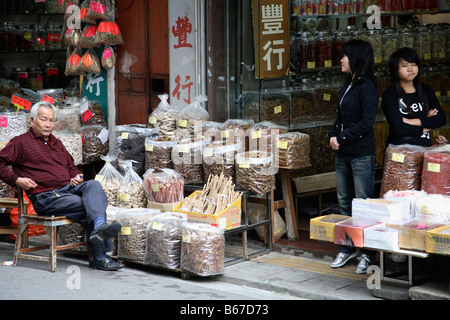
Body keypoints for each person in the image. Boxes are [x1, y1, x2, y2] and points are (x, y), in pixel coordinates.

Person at [0, 101, 124, 271]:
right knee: (90, 206)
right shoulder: (20, 143)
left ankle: (100, 229)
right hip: (47, 197)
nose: (48, 124)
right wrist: (16, 180)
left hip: (68, 190)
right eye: (44, 120)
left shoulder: (56, 143)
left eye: (51, 120)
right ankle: (100, 255)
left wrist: (75, 176)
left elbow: (71, 165)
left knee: (94, 185)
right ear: (32, 120)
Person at [328, 39, 379, 274]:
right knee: (344, 202)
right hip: (344, 153)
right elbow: (340, 117)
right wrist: (332, 134)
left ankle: (367, 254)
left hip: (360, 155)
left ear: (356, 58)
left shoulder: (367, 86)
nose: (341, 60)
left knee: (363, 203)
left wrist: (342, 137)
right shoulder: (348, 83)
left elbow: (366, 123)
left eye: (344, 56)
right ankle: (346, 248)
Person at [381, 47, 447, 147]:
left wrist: (411, 121)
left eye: (413, 64)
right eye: (404, 66)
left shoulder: (426, 90)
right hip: (399, 150)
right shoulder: (390, 94)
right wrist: (425, 127)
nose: (410, 69)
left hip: (425, 148)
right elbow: (399, 128)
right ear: (395, 69)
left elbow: (441, 119)